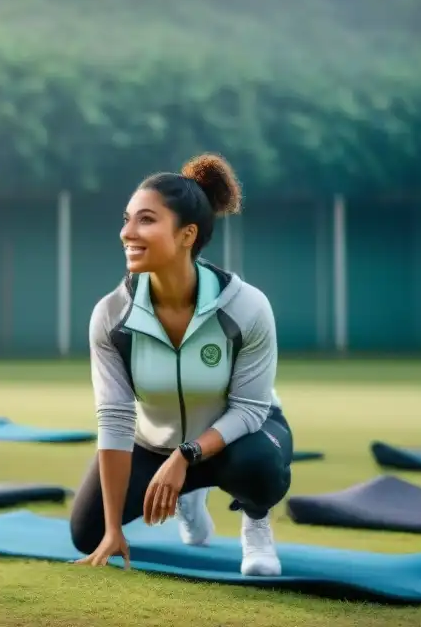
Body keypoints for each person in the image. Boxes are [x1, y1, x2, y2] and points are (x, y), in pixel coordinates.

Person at [70, 154, 290, 577]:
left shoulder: (246, 306)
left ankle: (256, 523)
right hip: (153, 446)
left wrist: (186, 455)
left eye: (145, 220)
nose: (127, 233)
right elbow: (115, 419)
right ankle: (189, 501)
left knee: (259, 468)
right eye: (127, 219)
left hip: (240, 437)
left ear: (187, 234)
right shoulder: (112, 316)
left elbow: (249, 409)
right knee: (88, 532)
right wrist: (113, 529)